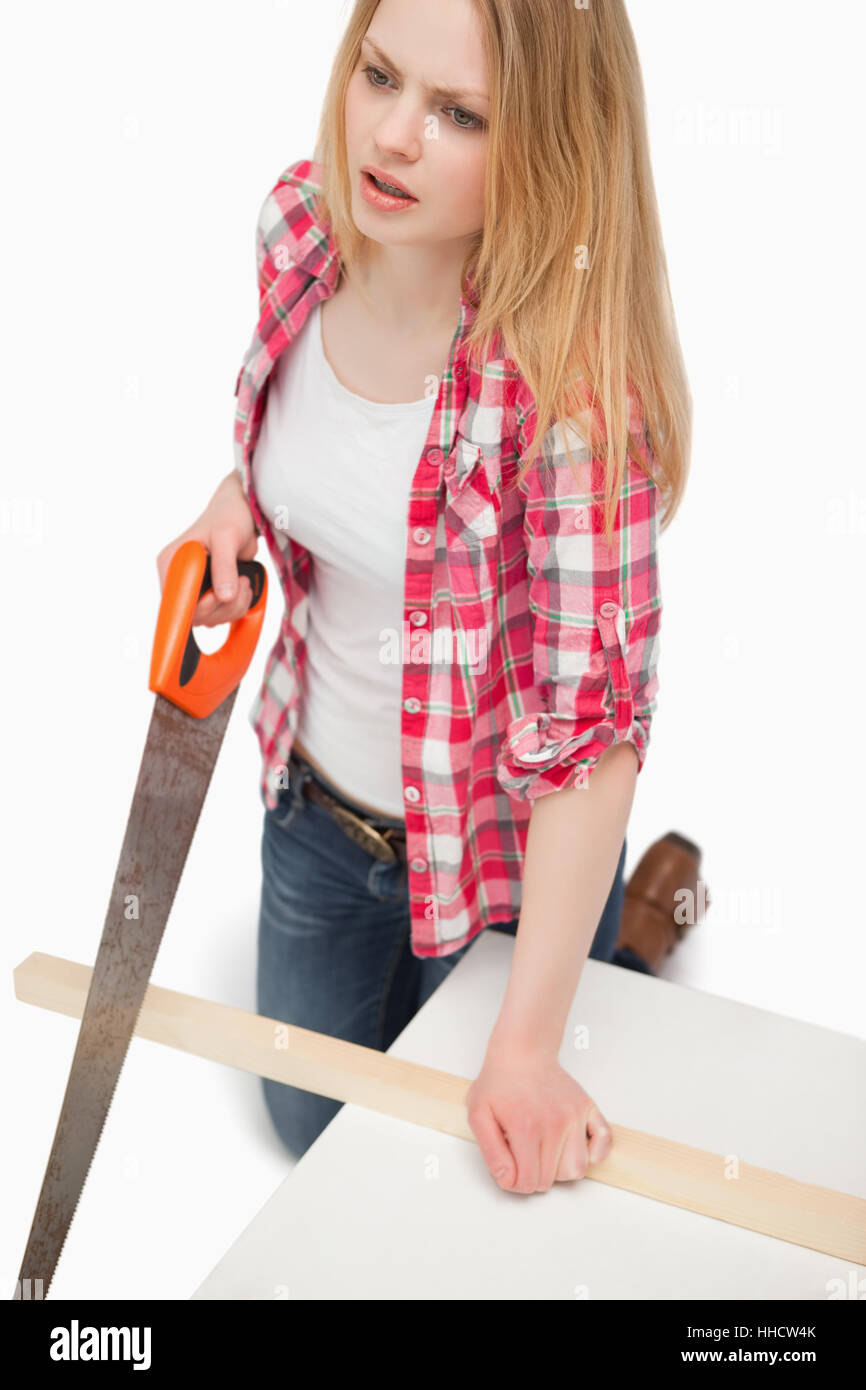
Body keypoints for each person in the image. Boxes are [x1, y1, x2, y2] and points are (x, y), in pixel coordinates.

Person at [157, 0, 690, 1197]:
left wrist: (521, 1048)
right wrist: (234, 506)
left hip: (502, 852)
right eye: (379, 75)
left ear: (548, 144)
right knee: (313, 1131)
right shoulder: (300, 225)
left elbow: (592, 745)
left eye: (457, 114)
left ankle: (627, 948)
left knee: (472, 1155)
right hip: (318, 811)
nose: (390, 135)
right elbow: (310, 454)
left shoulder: (569, 408)